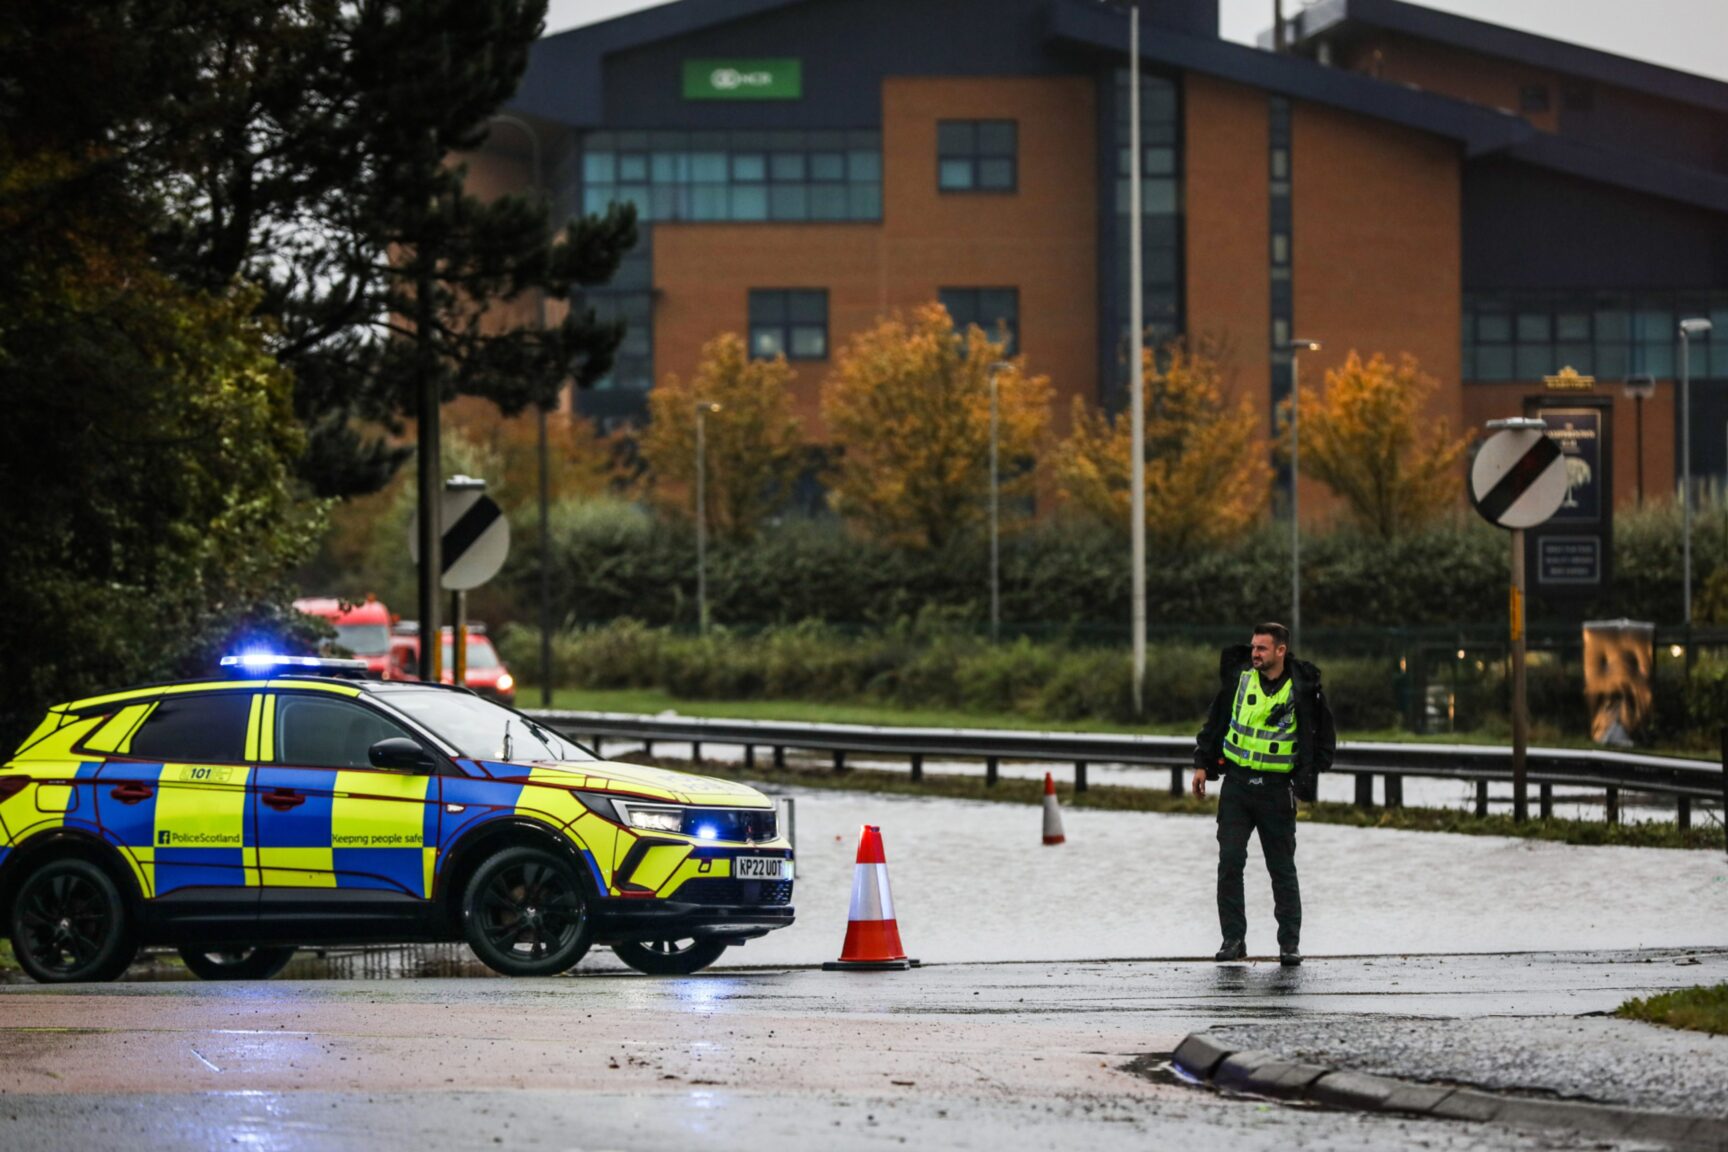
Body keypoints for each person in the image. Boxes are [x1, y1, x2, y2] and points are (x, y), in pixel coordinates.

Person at [1191, 622, 1335, 967]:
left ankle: (1289, 944)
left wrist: (1306, 776)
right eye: (1253, 647)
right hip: (1237, 786)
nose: (1254, 653)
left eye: (1262, 648)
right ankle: (1233, 939)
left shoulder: (1303, 690)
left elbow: (1324, 737)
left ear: (1280, 651)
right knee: (1229, 863)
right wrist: (1202, 764)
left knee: (1282, 869)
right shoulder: (1240, 680)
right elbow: (1215, 722)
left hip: (1276, 790)